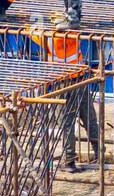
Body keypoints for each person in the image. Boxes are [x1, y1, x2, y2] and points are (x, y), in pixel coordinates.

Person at [32, 28, 101, 173]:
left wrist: (28, 22)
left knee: (66, 124)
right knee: (90, 119)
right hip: (80, 80)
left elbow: (31, 32)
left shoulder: (48, 38)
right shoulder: (75, 33)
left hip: (62, 84)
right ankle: (99, 154)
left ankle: (69, 161)